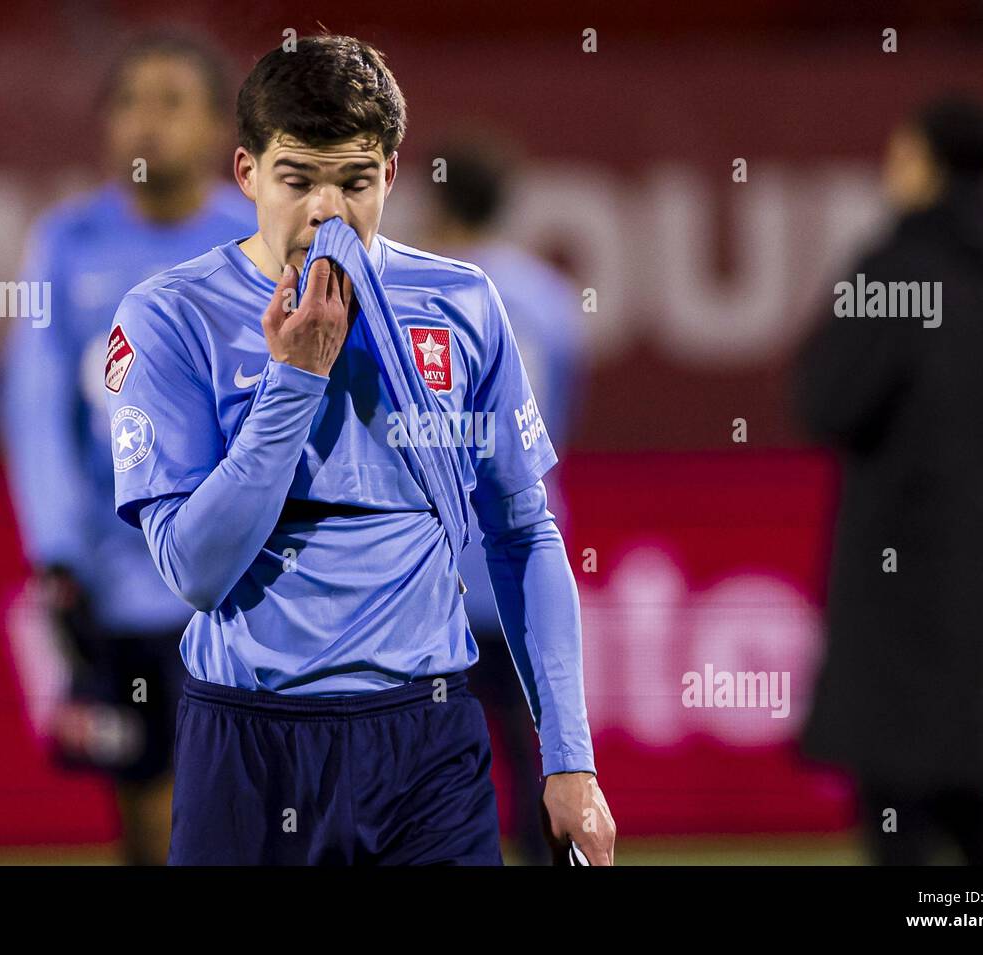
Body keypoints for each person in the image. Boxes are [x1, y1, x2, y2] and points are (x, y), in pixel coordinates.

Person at [106, 33, 615, 865]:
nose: (327, 212)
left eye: (355, 181)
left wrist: (570, 758)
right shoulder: (171, 317)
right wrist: (295, 381)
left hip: (428, 741)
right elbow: (195, 568)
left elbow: (523, 533)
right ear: (246, 175)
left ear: (391, 174)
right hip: (250, 741)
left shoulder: (463, 304)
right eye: (298, 180)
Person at [0, 30, 256, 865]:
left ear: (222, 131)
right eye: (131, 102)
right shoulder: (66, 243)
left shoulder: (257, 244)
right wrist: (57, 548)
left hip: (240, 586)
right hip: (118, 585)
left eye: (173, 103)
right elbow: (34, 407)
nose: (148, 123)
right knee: (148, 815)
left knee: (234, 809)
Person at [795, 93, 983, 866]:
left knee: (897, 783)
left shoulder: (897, 268)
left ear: (929, 164)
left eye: (903, 152)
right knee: (966, 773)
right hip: (977, 544)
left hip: (890, 559)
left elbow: (826, 401)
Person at [423, 142, 585, 865]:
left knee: (427, 769)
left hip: (437, 566)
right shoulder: (548, 295)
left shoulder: (421, 287)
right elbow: (552, 427)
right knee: (543, 758)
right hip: (525, 553)